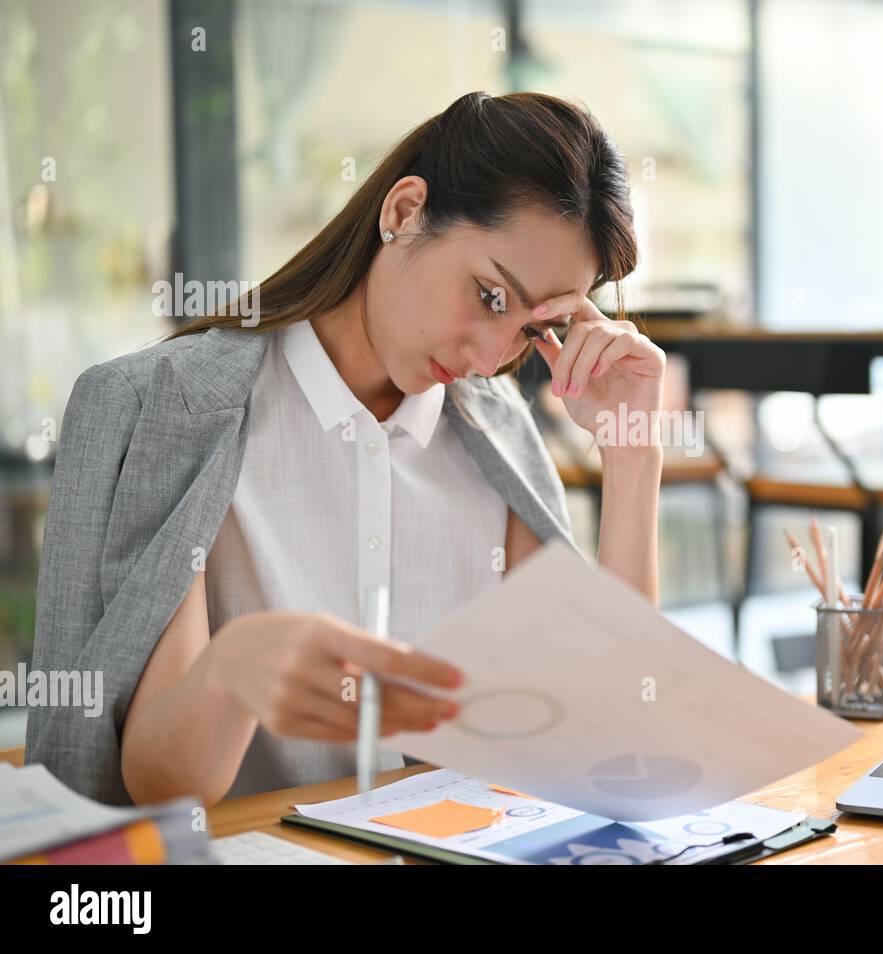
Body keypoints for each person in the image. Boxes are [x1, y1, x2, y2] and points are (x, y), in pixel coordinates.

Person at [26, 90, 665, 807]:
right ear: (403, 211)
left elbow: (614, 725)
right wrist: (235, 672)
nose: (491, 356)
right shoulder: (171, 410)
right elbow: (158, 784)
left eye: (528, 328)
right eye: (489, 296)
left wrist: (631, 453)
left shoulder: (498, 439)